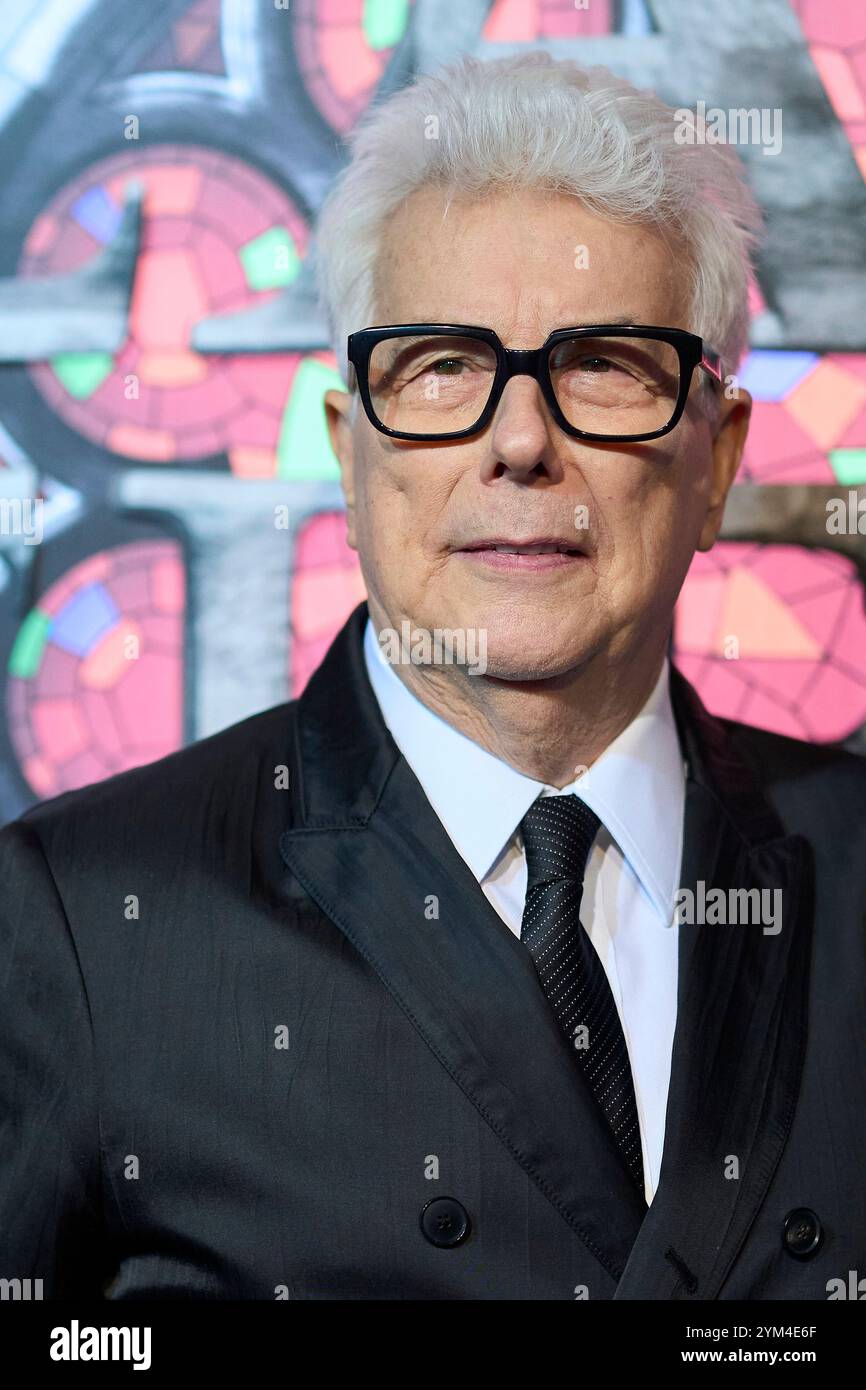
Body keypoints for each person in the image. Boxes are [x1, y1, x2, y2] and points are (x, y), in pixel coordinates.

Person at [2, 51, 865, 1302]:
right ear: (350, 455)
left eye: (604, 364)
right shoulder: (84, 921)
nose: (518, 441)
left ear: (715, 458)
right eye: (440, 367)